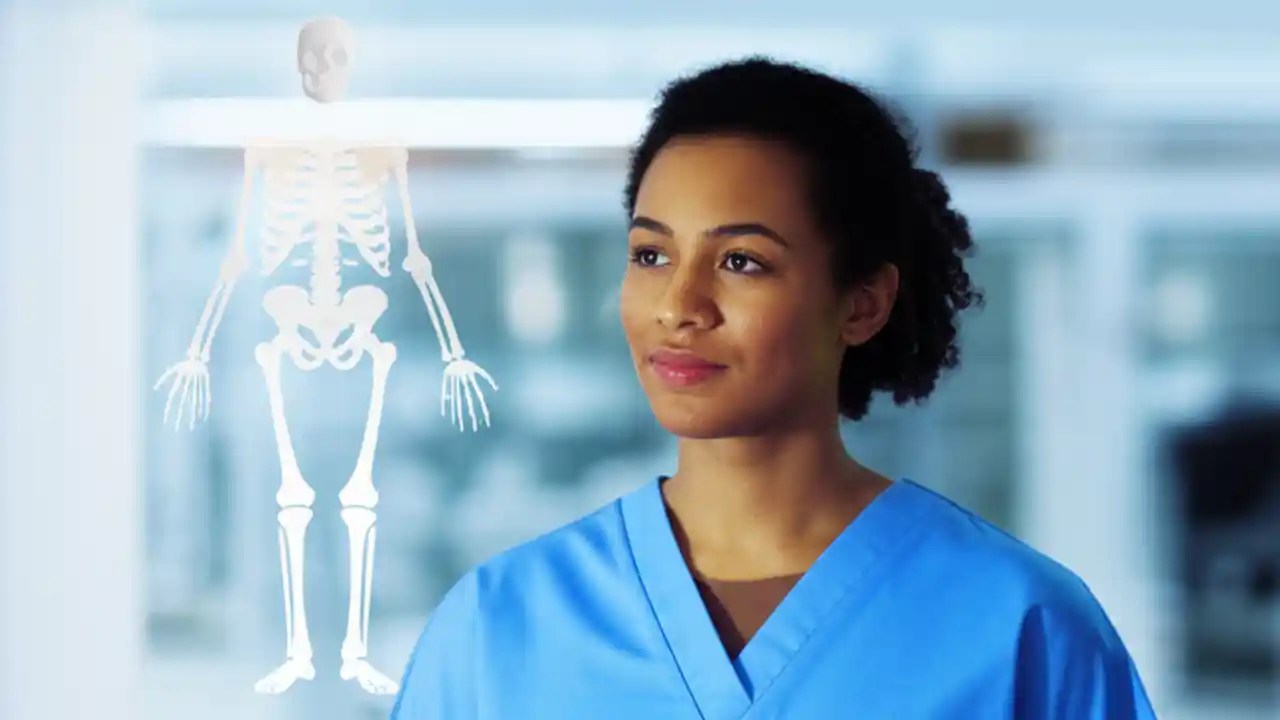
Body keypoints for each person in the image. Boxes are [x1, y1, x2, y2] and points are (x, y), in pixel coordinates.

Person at [390, 56, 1158, 719]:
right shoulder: (498, 625)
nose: (679, 307)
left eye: (742, 262)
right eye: (652, 255)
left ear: (862, 304)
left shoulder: (1022, 627)